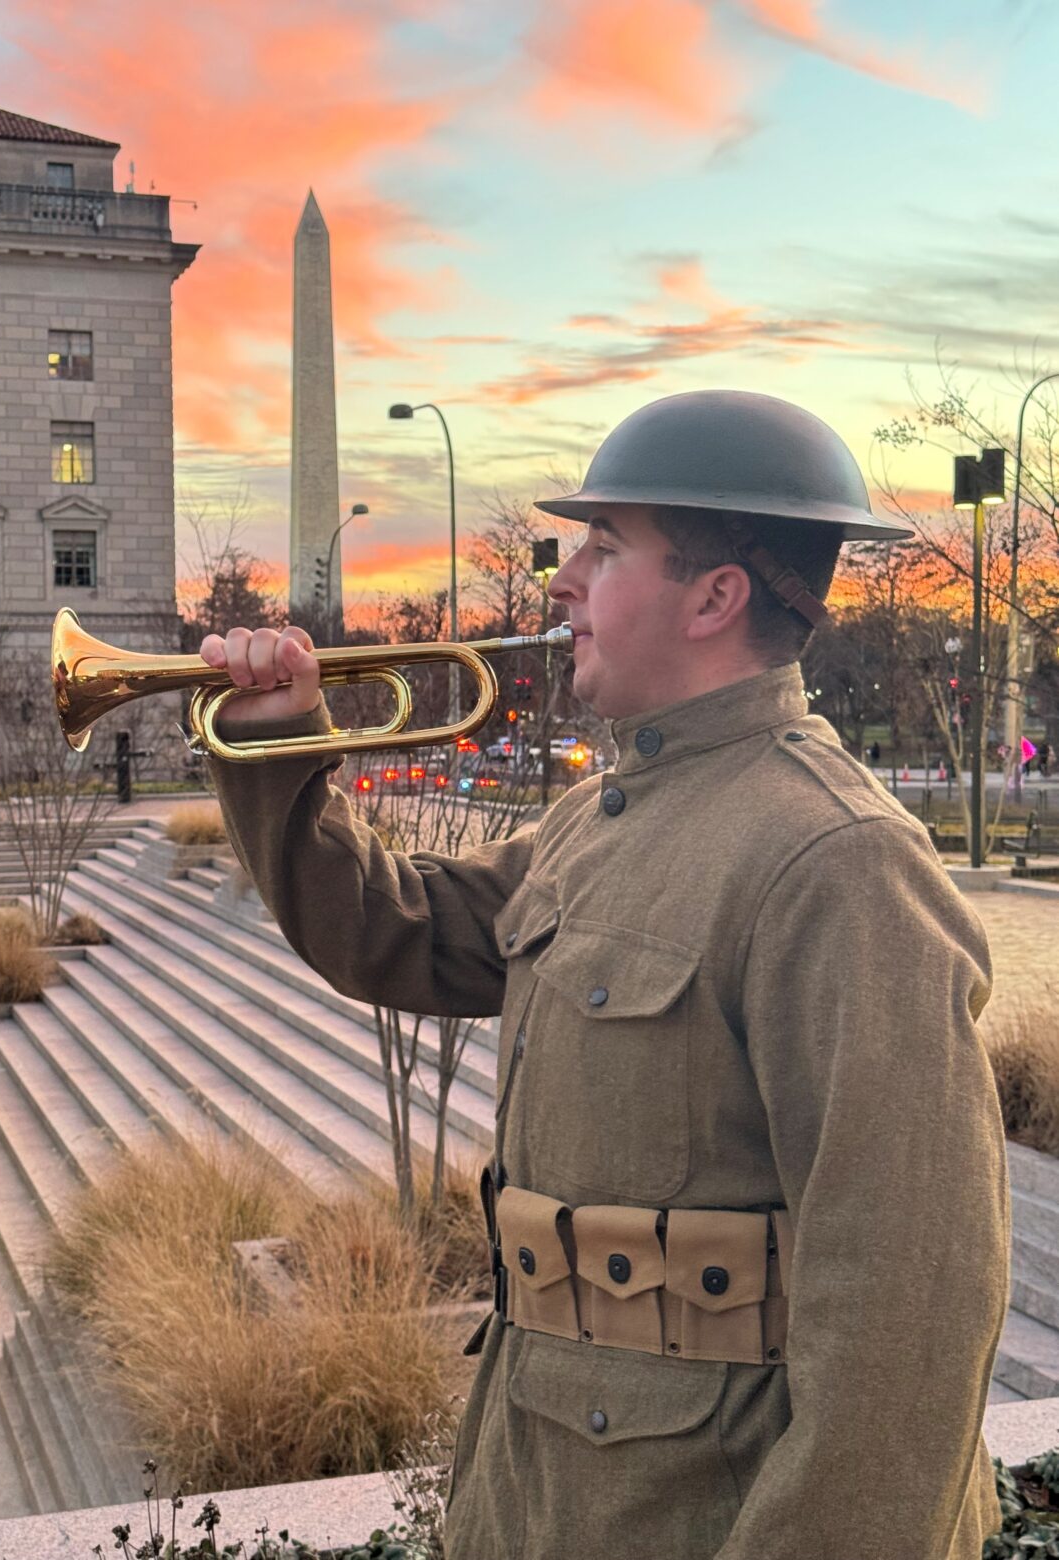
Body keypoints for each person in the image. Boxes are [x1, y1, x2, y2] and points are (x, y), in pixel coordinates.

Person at [199, 389, 1008, 1560]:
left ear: (714, 597)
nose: (562, 581)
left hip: (695, 1513)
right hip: (535, 1490)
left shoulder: (838, 860)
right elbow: (393, 930)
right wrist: (280, 741)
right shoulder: (598, 820)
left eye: (605, 547)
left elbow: (910, 1319)